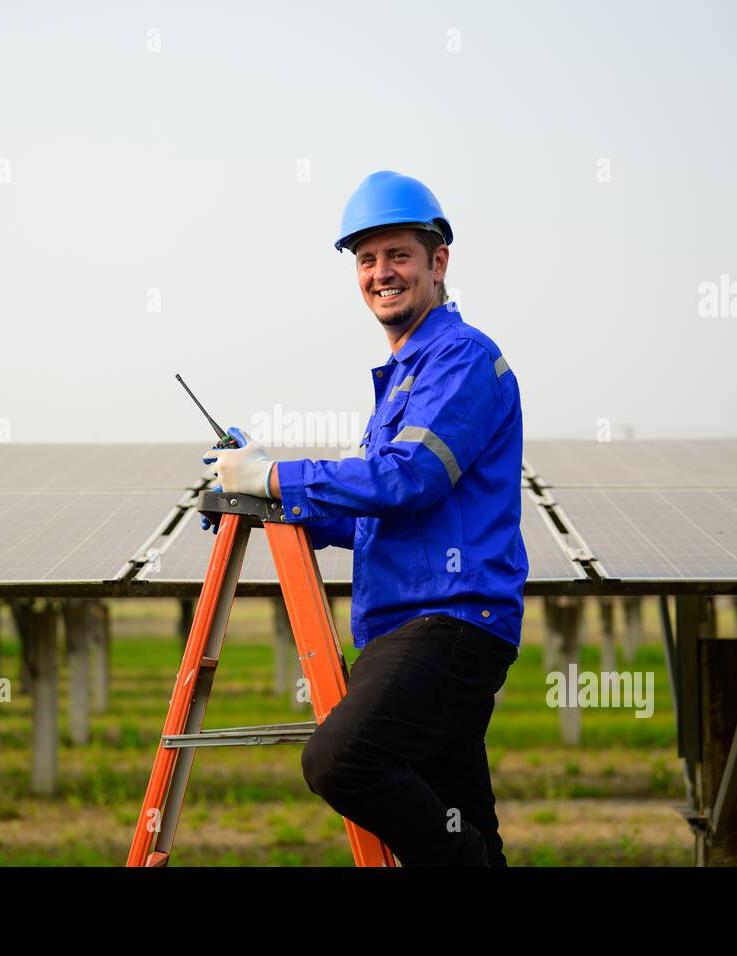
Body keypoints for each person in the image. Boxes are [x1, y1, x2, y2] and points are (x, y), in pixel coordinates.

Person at [206, 170, 529, 866]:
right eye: (366, 260)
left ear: (438, 262)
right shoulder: (406, 380)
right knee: (458, 823)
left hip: (449, 623)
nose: (382, 273)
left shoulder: (463, 359)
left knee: (340, 760)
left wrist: (276, 476)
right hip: (406, 626)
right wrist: (264, 502)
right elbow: (374, 518)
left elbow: (407, 479)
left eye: (398, 256)